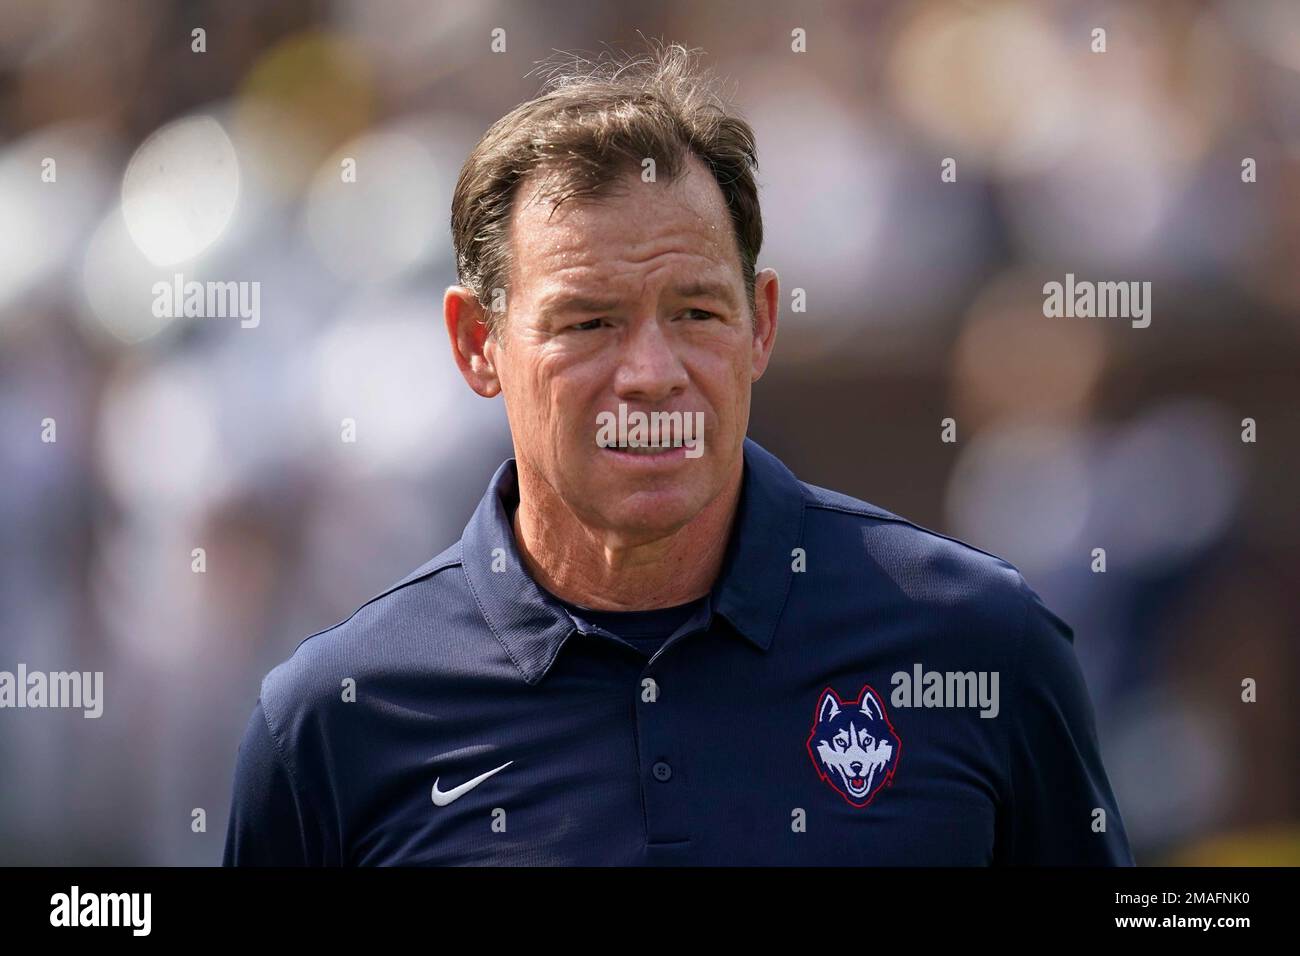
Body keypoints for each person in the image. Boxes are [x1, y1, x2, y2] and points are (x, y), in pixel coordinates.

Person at [223, 40, 1133, 866]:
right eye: (589, 322)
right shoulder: (336, 719)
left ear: (761, 325)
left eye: (696, 313)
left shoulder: (980, 641)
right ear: (476, 345)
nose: (653, 373)